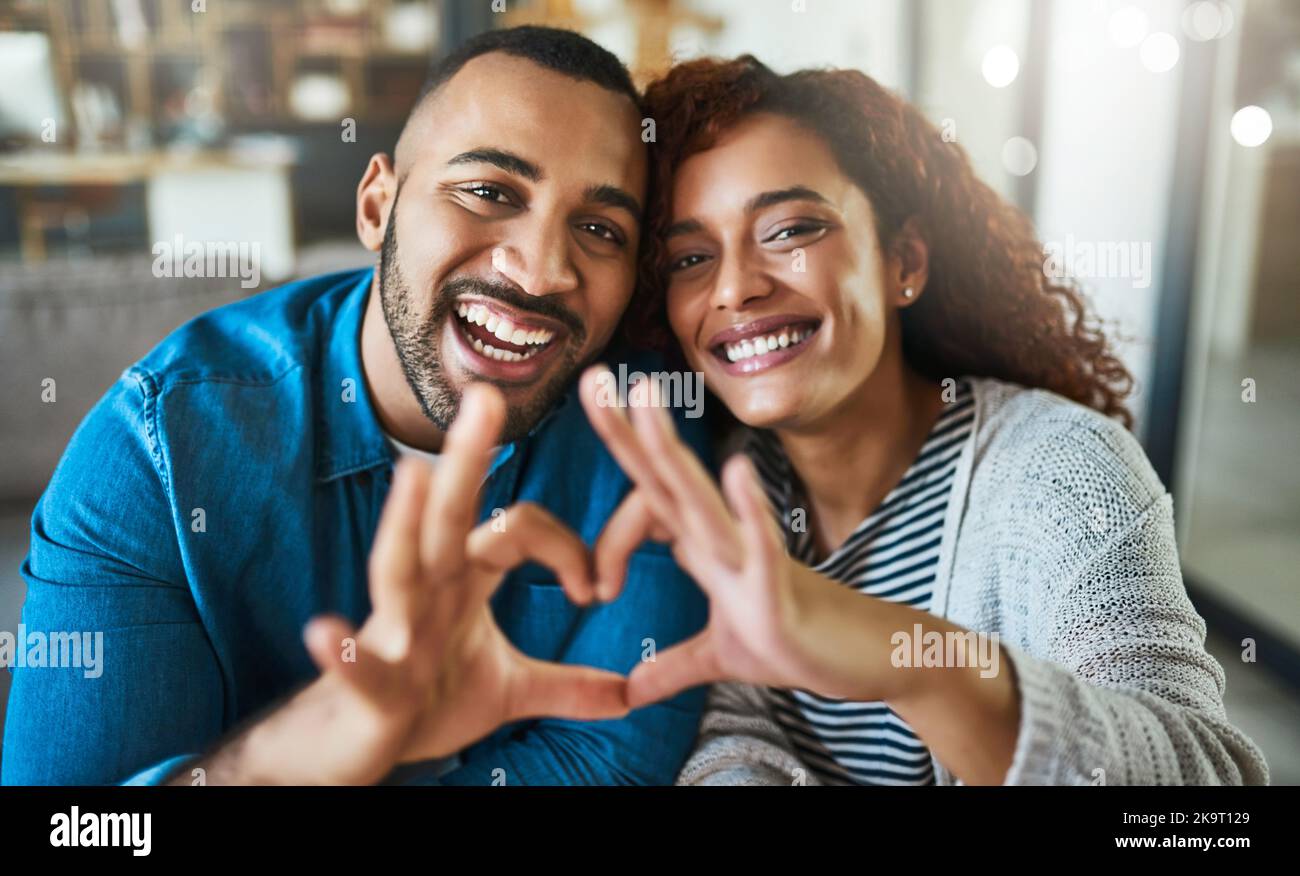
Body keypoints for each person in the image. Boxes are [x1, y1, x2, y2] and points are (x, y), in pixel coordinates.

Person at [1, 27, 709, 786]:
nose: (540, 271)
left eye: (600, 229)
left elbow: (610, 758)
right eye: (489, 191)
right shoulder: (157, 450)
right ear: (378, 206)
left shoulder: (649, 423)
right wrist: (283, 762)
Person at [576, 55, 1269, 785]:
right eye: (691, 257)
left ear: (902, 260)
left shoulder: (1063, 470)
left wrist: (911, 660)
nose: (737, 286)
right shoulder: (721, 478)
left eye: (790, 229)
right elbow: (732, 736)